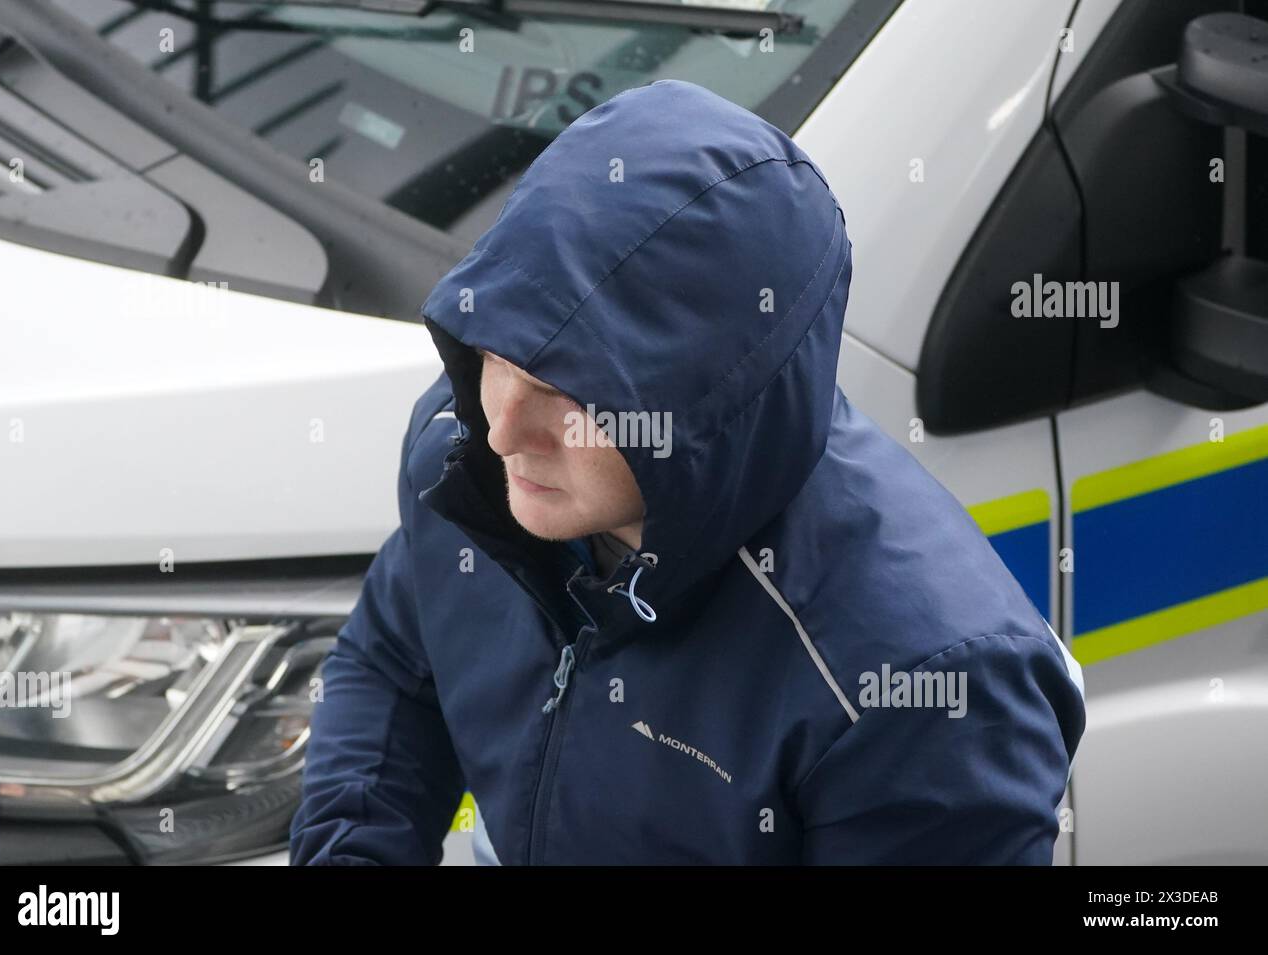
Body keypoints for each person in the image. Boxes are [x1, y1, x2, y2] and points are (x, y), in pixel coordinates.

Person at [289, 79, 1086, 866]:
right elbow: (395, 659)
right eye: (499, 354)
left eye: (569, 396)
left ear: (709, 404)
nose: (503, 431)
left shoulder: (919, 683)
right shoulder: (466, 456)